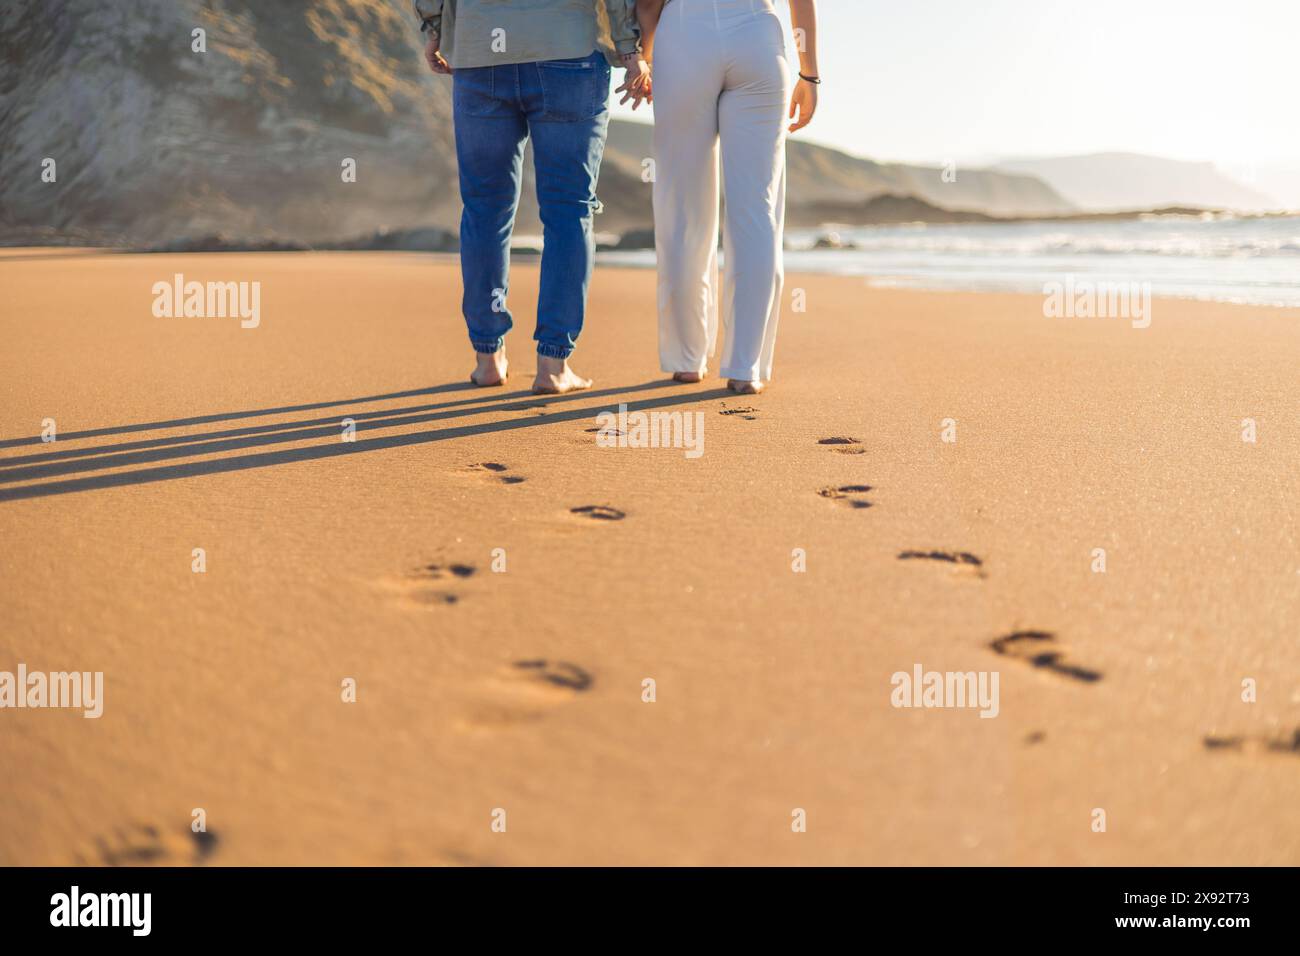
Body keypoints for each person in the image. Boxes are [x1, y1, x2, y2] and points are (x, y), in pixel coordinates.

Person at [416, 1, 650, 393]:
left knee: (485, 209)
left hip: (480, 55)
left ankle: (488, 358)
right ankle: (553, 365)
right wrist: (630, 50)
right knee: (568, 210)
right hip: (567, 52)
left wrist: (434, 29)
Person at [631, 0, 819, 394]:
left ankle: (687, 358)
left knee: (683, 208)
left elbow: (648, 3)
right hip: (757, 36)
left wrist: (645, 57)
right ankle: (745, 365)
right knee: (756, 211)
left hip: (683, 35)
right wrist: (810, 75)